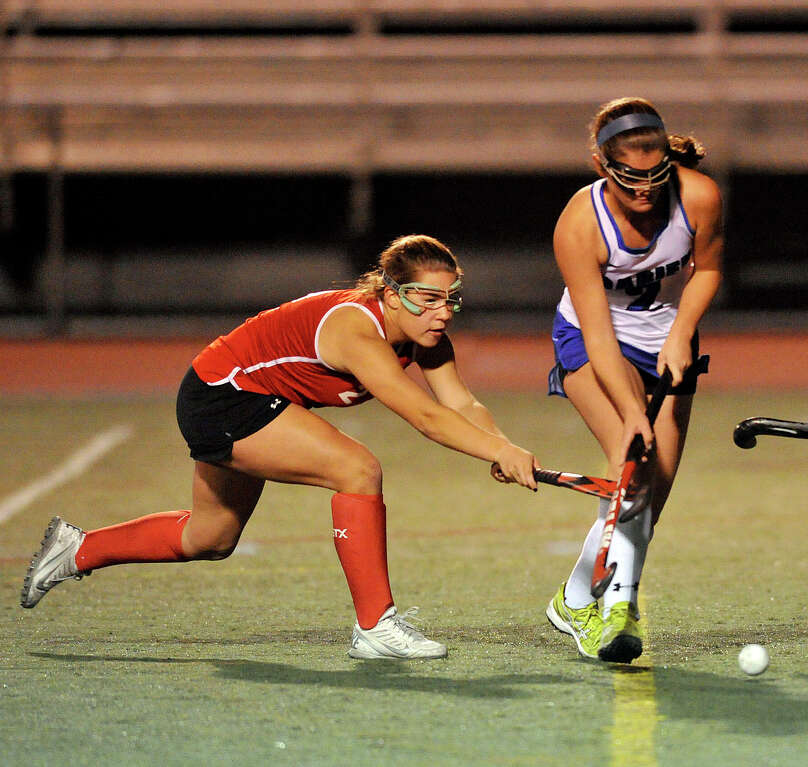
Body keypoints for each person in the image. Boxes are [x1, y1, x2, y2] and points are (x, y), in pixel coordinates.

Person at [21, 234, 540, 659]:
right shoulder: (358, 332)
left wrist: (501, 445)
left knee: (211, 537)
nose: (441, 312)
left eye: (449, 299)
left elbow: (461, 404)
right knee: (357, 469)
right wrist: (495, 453)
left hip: (250, 397)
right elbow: (426, 417)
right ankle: (375, 627)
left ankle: (77, 549)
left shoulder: (427, 338)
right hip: (223, 397)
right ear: (389, 294)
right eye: (426, 299)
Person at [544, 97, 724, 662]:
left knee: (654, 488)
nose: (645, 189)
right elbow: (599, 335)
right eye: (629, 177)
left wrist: (681, 334)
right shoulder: (579, 224)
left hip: (668, 339)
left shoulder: (699, 196)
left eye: (656, 175)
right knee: (635, 464)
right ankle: (619, 607)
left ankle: (574, 596)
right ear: (602, 165)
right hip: (593, 340)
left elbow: (709, 269)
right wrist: (630, 413)